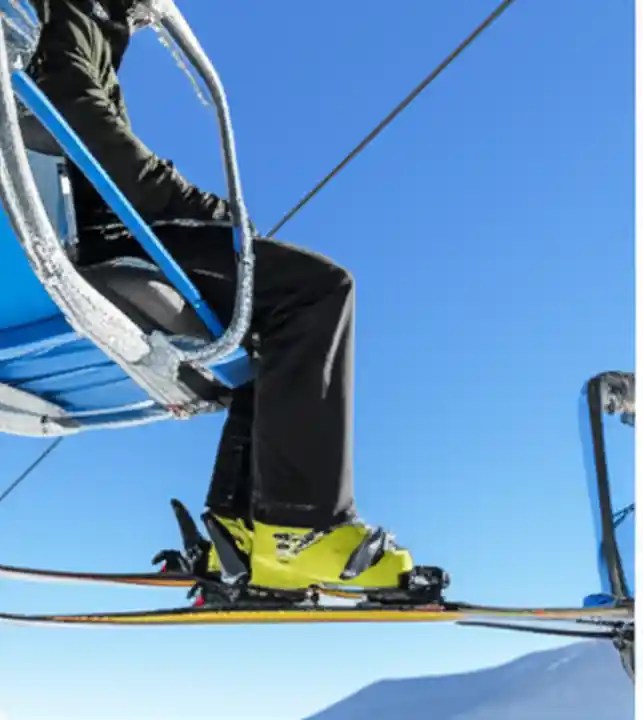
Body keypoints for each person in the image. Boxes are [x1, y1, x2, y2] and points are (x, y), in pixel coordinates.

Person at [26, 0, 420, 592]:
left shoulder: (74, 22)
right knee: (314, 293)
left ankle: (240, 532)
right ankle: (299, 527)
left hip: (74, 237)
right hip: (97, 245)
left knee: (268, 327)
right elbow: (71, 109)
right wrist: (195, 206)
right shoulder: (72, 12)